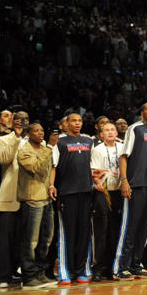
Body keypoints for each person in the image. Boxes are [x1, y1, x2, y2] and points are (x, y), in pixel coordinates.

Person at [113, 103, 147, 281]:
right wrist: (124, 181)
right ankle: (121, 267)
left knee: (144, 228)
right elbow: (124, 156)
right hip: (135, 184)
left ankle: (136, 264)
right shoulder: (135, 129)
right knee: (130, 226)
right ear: (142, 112)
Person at [50, 113, 94, 285]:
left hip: (86, 191)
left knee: (84, 232)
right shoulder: (60, 142)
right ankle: (65, 271)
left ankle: (81, 270)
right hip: (67, 192)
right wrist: (52, 185)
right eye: (73, 121)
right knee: (67, 233)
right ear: (66, 124)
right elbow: (54, 167)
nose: (77, 123)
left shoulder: (88, 141)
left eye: (79, 121)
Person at [16, 123, 57, 289]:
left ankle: (40, 273)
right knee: (30, 241)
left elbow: (48, 173)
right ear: (28, 133)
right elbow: (37, 169)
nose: (40, 133)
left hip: (45, 198)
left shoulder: (43, 149)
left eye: (42, 130)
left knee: (46, 239)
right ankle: (28, 277)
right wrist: (49, 148)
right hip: (32, 199)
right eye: (36, 131)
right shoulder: (25, 151)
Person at [0, 112, 26, 289]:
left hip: (29, 197)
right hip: (9, 195)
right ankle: (2, 276)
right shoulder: (2, 140)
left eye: (24, 119)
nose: (21, 122)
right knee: (4, 240)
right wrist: (16, 136)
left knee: (23, 239)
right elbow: (3, 158)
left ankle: (18, 272)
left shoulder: (34, 141)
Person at [90, 121, 123, 282]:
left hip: (120, 192)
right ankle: (98, 268)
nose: (110, 132)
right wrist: (98, 181)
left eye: (112, 130)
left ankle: (113, 267)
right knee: (102, 230)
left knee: (116, 231)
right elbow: (94, 172)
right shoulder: (97, 149)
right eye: (106, 130)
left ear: (117, 133)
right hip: (103, 192)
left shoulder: (122, 148)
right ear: (101, 134)